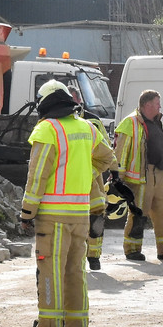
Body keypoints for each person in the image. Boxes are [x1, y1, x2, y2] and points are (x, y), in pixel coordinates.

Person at [17, 80, 113, 327]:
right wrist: (85, 175)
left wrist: (26, 212)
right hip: (80, 214)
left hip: (52, 216)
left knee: (50, 273)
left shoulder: (47, 130)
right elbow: (108, 159)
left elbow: (36, 177)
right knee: (75, 272)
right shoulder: (87, 128)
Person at [112, 90, 163, 261]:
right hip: (140, 176)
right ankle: (132, 249)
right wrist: (119, 178)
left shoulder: (157, 122)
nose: (160, 106)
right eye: (157, 103)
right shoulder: (129, 123)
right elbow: (120, 152)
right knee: (139, 214)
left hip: (158, 174)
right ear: (147, 105)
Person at [70, 85, 113, 271]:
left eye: (73, 101)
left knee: (97, 217)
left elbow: (106, 148)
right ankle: (75, 256)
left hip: (92, 179)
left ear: (79, 101)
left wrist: (114, 172)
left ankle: (94, 257)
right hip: (69, 180)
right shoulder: (55, 122)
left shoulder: (93, 122)